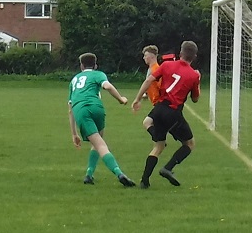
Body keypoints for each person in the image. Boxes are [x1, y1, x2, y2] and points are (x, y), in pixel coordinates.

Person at [132, 40, 201, 188]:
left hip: (160, 108)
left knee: (158, 145)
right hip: (173, 112)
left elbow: (149, 80)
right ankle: (167, 168)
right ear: (194, 57)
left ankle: (144, 181)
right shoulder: (193, 75)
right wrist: (198, 81)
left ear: (180, 53)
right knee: (189, 144)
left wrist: (137, 99)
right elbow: (195, 99)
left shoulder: (167, 65)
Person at [68, 52, 135, 187]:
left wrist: (74, 133)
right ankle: (89, 174)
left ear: (81, 66)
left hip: (81, 109)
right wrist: (121, 99)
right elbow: (108, 86)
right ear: (95, 65)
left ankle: (119, 173)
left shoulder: (74, 80)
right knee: (98, 142)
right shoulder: (98, 74)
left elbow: (70, 108)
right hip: (97, 108)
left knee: (99, 144)